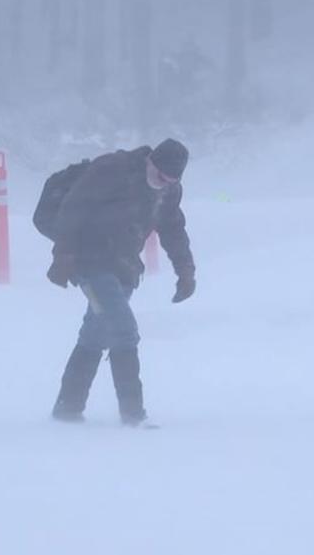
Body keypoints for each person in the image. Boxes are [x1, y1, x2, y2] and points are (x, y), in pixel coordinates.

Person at [39, 138, 196, 426]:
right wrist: (63, 256)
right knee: (123, 329)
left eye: (171, 181)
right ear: (151, 161)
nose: (162, 184)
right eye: (161, 177)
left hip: (124, 268)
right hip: (88, 262)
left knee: (95, 335)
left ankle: (67, 408)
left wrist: (185, 271)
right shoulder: (112, 170)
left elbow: (173, 228)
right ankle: (133, 414)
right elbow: (73, 209)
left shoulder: (168, 190)